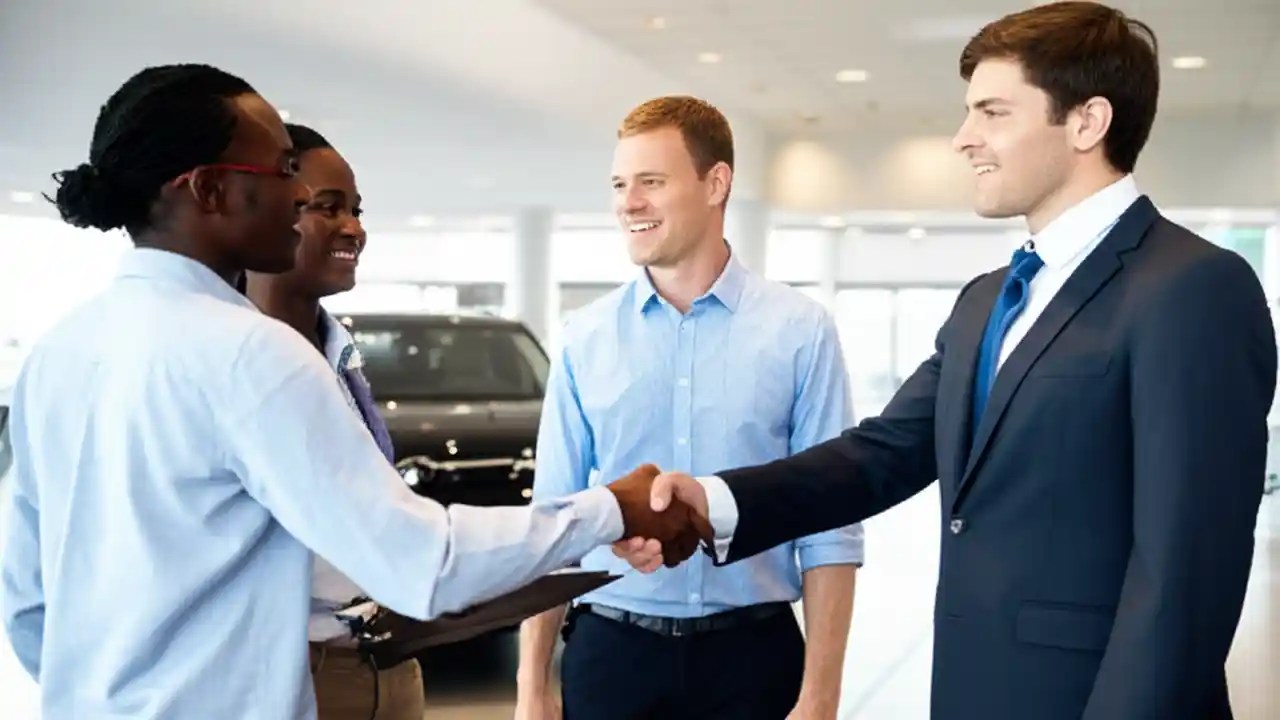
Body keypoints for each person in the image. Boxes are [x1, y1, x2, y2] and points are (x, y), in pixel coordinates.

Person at [0, 63, 705, 719]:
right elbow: (421, 562)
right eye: (282, 171)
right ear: (209, 190)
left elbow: (29, 605)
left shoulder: (59, 352)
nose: (300, 194)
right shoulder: (250, 353)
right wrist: (614, 508)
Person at [632, 3, 1277, 719]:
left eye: (993, 113)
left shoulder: (1192, 288)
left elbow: (1186, 577)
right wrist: (715, 499)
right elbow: (882, 454)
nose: (965, 139)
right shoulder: (986, 300)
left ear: (1088, 123)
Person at [515, 96, 863, 720]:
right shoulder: (583, 336)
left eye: (651, 181)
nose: (629, 202)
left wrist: (820, 698)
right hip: (611, 654)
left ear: (715, 183)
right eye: (620, 184)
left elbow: (830, 527)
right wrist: (532, 687)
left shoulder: (799, 331)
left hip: (754, 660)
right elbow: (554, 518)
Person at [240, 122, 424, 720]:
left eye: (356, 209)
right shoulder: (233, 360)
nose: (354, 227)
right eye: (326, 208)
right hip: (291, 672)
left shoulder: (339, 355)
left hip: (386, 663)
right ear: (270, 211)